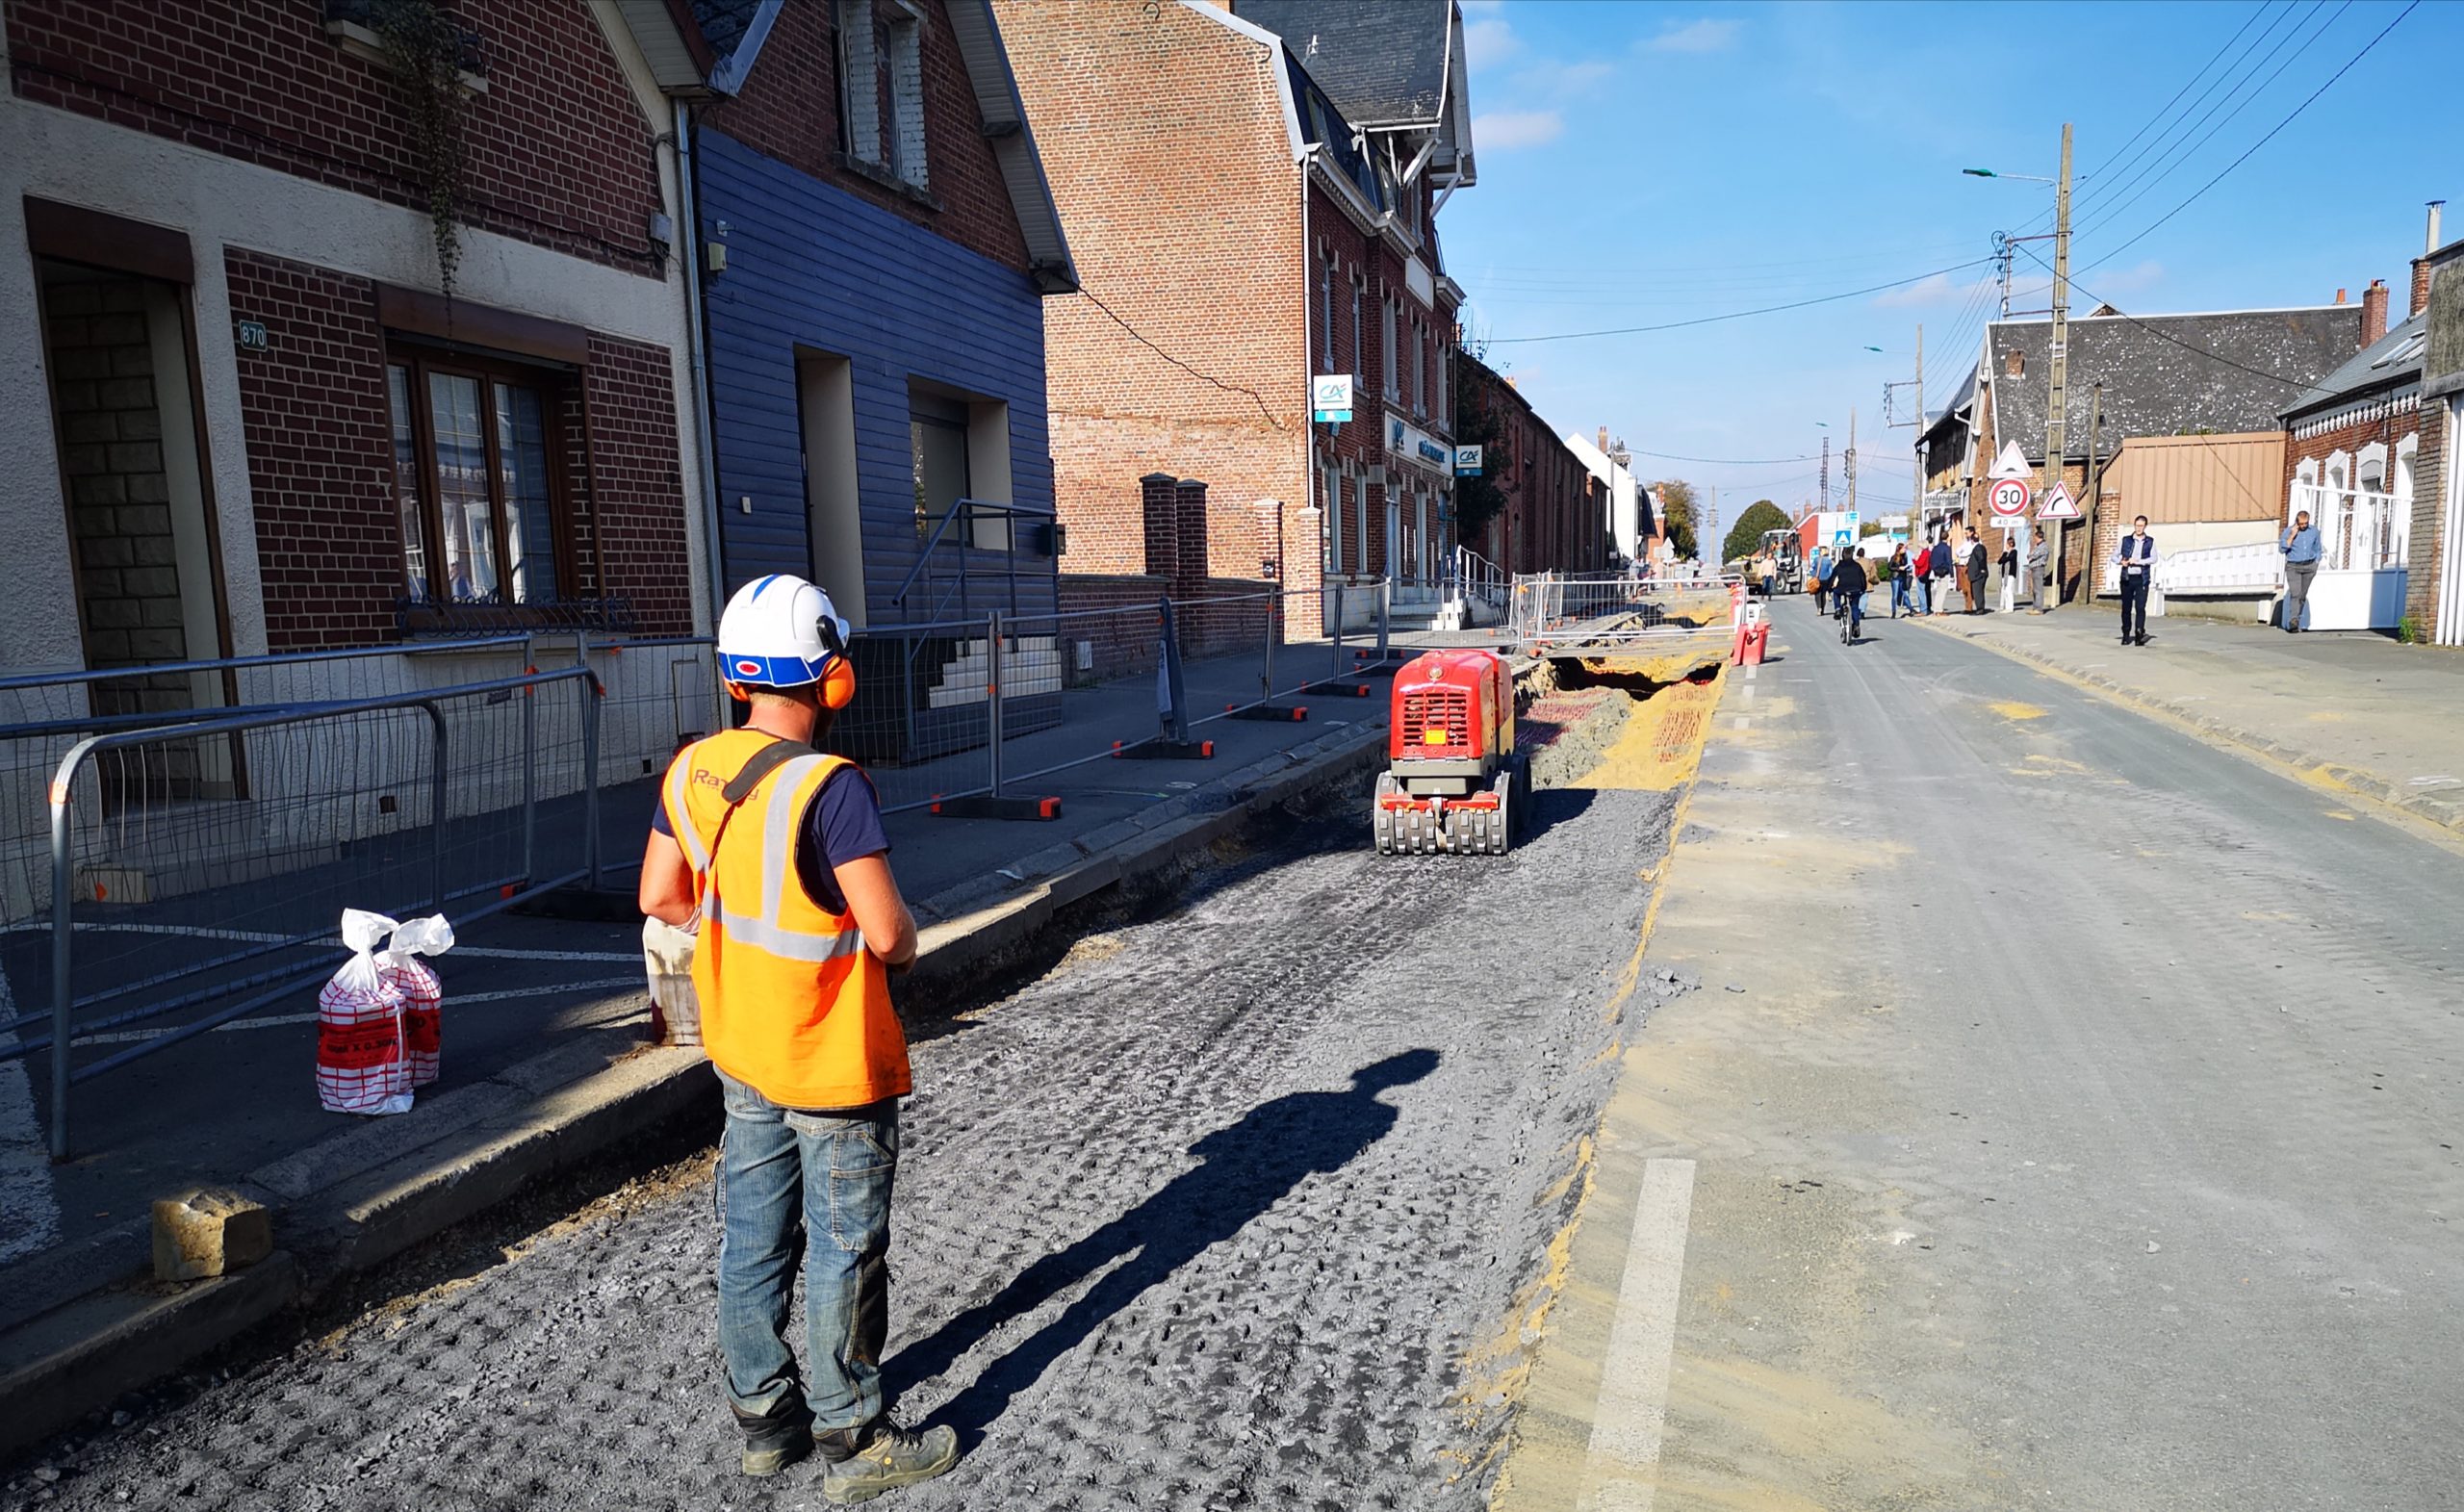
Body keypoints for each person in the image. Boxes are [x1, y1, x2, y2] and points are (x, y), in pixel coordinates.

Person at [638, 575, 961, 1499]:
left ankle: (763, 1421)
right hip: (831, 1059)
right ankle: (853, 1438)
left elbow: (663, 895)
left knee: (753, 1236)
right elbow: (890, 933)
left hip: (744, 1052)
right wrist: (884, 945)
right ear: (832, 678)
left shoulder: (694, 769)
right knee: (844, 1245)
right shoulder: (832, 787)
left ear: (740, 677)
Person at [2115, 514, 2159, 646]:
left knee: (2140, 607)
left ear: (2145, 526)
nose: (2138, 528)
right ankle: (2126, 633)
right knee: (2126, 607)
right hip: (2127, 577)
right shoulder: (2126, 540)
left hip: (2141, 578)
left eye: (2141, 526)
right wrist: (2121, 562)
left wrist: (2139, 561)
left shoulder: (2150, 541)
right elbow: (2114, 556)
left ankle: (2139, 633)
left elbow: (2154, 558)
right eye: (2137, 525)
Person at [2280, 508, 2322, 632]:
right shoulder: (2288, 531)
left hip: (2309, 566)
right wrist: (2292, 536)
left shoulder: (2314, 531)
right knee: (2295, 593)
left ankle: (2298, 619)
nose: (2303, 526)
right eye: (2301, 524)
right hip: (2293, 566)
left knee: (2302, 595)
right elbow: (2282, 549)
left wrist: (2317, 560)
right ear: (2297, 522)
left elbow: (2318, 547)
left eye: (2305, 523)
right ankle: (2293, 621)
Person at [1831, 546, 1869, 639]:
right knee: (1855, 606)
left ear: (1842, 555)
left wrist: (1829, 589)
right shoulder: (1857, 566)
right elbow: (1863, 578)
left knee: (1836, 593)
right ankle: (1856, 625)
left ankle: (1838, 609)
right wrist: (1863, 589)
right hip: (1856, 589)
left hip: (1842, 588)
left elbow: (1832, 578)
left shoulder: (1839, 566)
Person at [1964, 527, 1989, 615]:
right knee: (1978, 592)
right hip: (1978, 574)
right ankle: (1980, 607)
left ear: (1972, 541)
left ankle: (1980, 609)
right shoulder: (1980, 547)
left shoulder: (1978, 548)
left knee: (1977, 592)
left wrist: (1982, 570)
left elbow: (1981, 559)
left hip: (1978, 574)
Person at [2027, 527, 2052, 613]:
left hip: (2039, 568)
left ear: (2038, 537)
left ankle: (2039, 608)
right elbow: (2031, 554)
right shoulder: (2037, 546)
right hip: (2034, 568)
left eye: (2035, 538)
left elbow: (2034, 555)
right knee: (2034, 589)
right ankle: (2035, 607)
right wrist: (2030, 555)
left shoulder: (2043, 546)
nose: (2034, 540)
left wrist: (2030, 556)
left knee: (2038, 589)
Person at [1888, 543, 1912, 618]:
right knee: (1895, 595)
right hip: (1895, 577)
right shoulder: (1894, 557)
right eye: (1903, 549)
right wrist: (1898, 568)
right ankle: (1893, 612)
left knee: (1906, 594)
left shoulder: (1904, 557)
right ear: (1899, 549)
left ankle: (1911, 609)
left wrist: (1905, 568)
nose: (1905, 550)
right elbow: (1889, 567)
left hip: (1902, 577)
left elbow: (1905, 565)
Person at [1810, 547, 1834, 614]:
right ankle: (1822, 609)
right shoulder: (1829, 561)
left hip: (1817, 579)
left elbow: (1812, 568)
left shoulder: (1816, 560)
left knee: (1817, 594)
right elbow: (1830, 572)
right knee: (1823, 595)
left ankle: (1819, 608)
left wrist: (1813, 575)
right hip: (1825, 580)